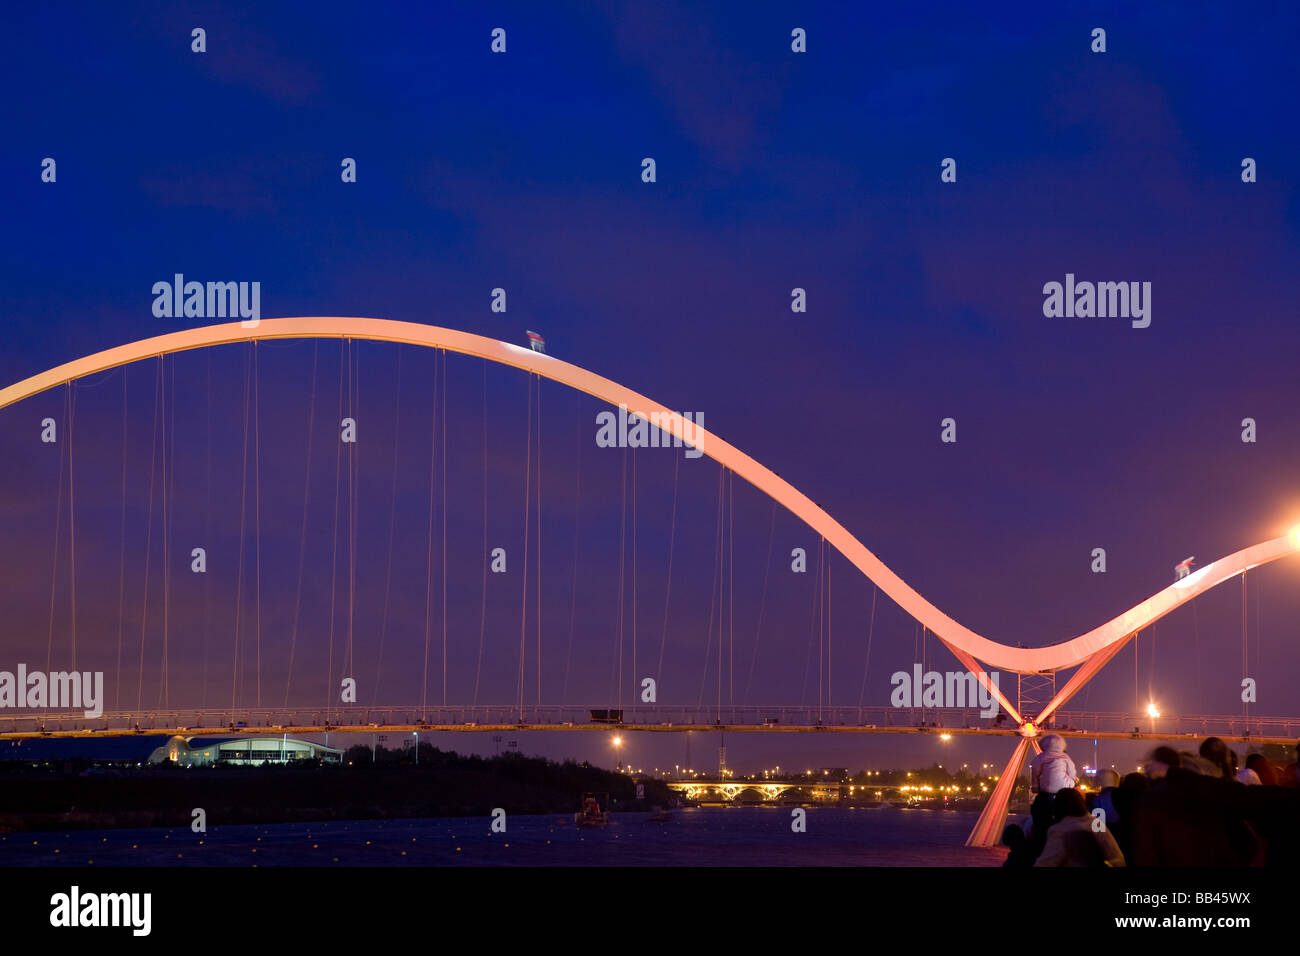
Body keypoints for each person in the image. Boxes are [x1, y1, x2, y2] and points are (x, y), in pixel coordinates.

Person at [1034, 788, 1125, 867]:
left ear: (1057, 807)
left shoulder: (1060, 830)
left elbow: (1047, 862)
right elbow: (1118, 859)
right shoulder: (1096, 824)